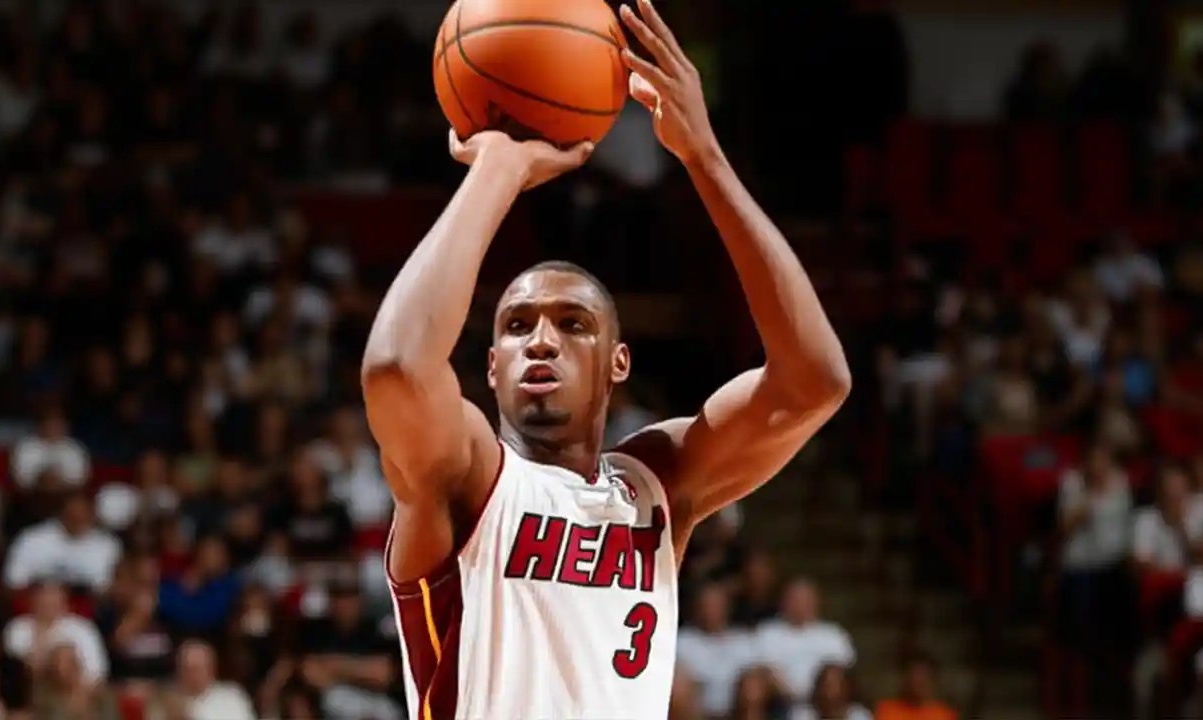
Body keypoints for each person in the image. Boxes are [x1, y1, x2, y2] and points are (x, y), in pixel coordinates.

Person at [360, 1, 851, 717]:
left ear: (618, 363)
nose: (541, 339)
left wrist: (702, 156)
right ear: (490, 367)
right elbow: (396, 369)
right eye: (517, 324)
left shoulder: (656, 485)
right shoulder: (466, 477)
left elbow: (813, 382)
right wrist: (496, 169)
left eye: (572, 323)